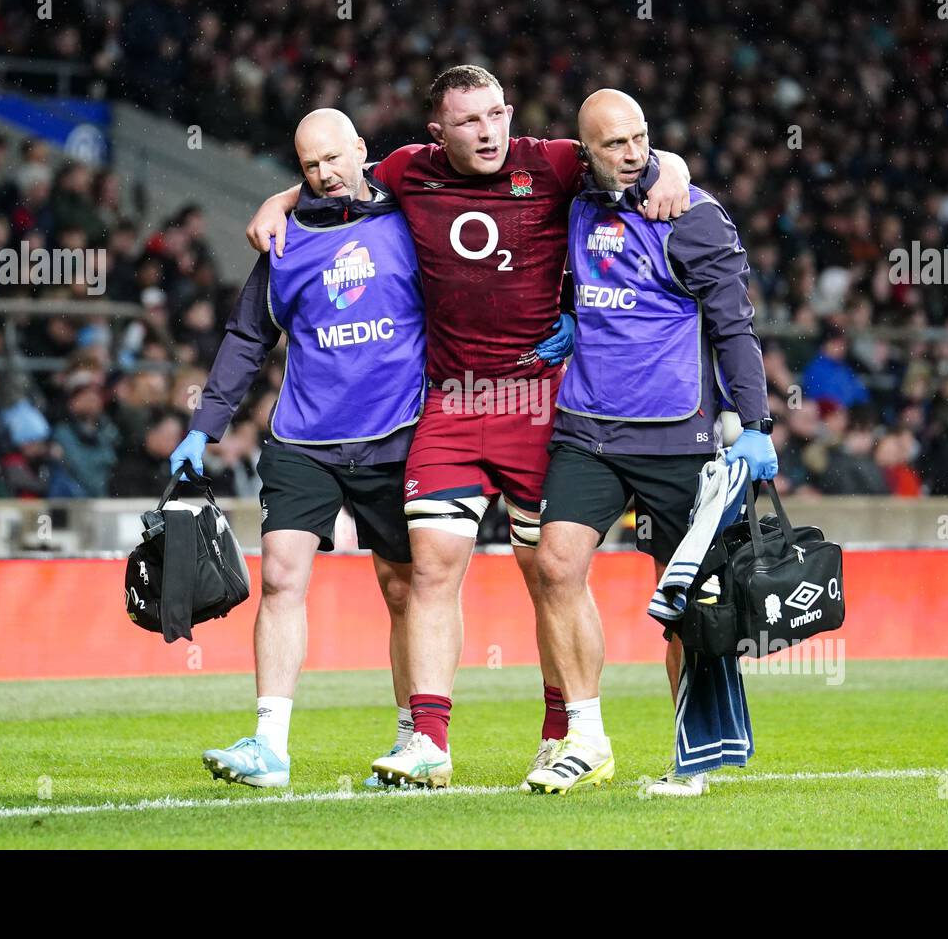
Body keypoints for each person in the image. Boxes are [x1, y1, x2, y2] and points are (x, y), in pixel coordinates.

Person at [245, 66, 692, 788]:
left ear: (508, 111)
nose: (487, 132)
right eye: (469, 122)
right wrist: (279, 198)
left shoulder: (548, 163)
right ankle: (429, 739)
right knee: (429, 566)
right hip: (451, 403)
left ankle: (564, 731)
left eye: (494, 115)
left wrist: (674, 164)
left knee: (548, 573)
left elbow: (625, 154)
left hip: (536, 402)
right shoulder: (406, 172)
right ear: (437, 134)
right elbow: (340, 179)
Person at [528, 89, 776, 795]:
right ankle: (584, 733)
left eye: (642, 138)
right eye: (615, 144)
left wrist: (755, 426)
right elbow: (589, 279)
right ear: (587, 152)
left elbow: (733, 328)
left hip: (676, 437)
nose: (633, 153)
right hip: (588, 427)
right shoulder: (574, 200)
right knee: (554, 564)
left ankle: (690, 758)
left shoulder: (691, 216)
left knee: (689, 606)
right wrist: (576, 315)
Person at [174, 109, 427, 789]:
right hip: (304, 438)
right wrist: (207, 423)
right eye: (308, 166)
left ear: (361, 151)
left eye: (333, 159)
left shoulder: (409, 216)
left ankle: (411, 740)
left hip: (396, 435)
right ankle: (269, 745)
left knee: (403, 591)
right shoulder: (283, 240)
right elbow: (247, 335)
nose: (322, 174)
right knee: (282, 577)